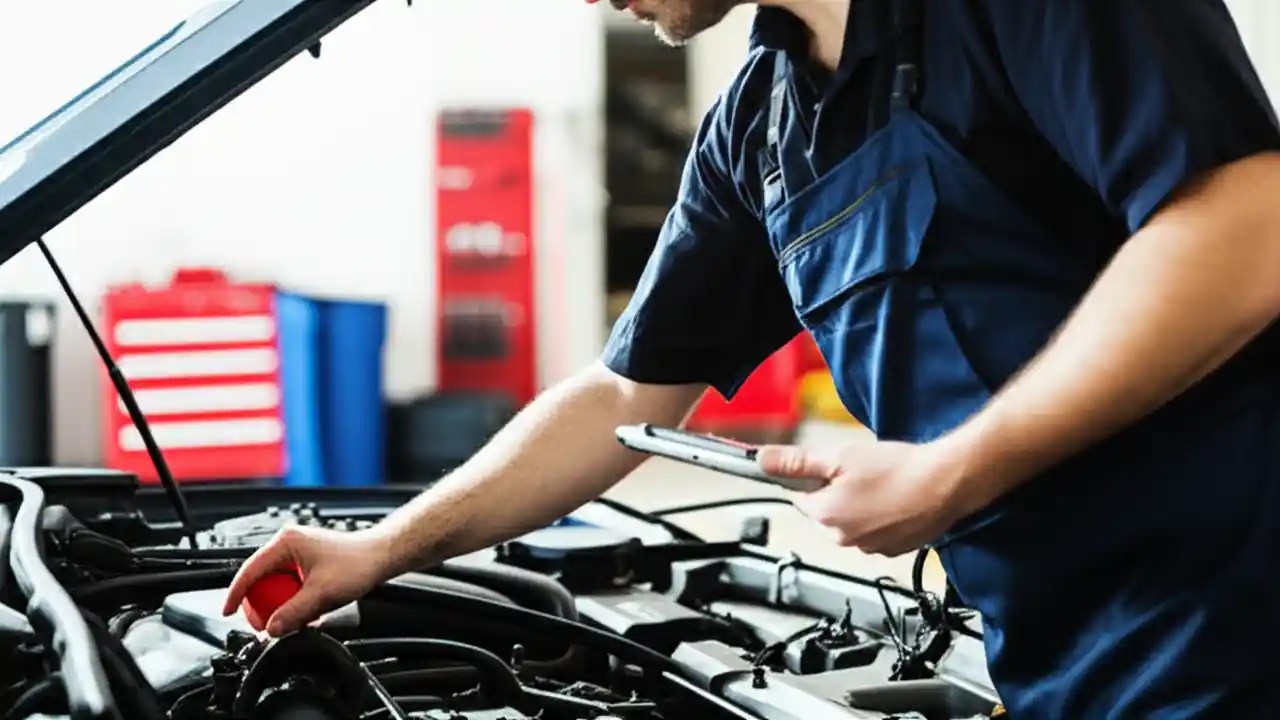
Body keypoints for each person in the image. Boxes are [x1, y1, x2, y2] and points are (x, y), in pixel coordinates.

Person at [224, 0, 1280, 715]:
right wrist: (378, 550)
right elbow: (622, 394)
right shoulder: (761, 128)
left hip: (1235, 613)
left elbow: (1243, 221)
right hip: (1057, 647)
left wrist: (952, 469)